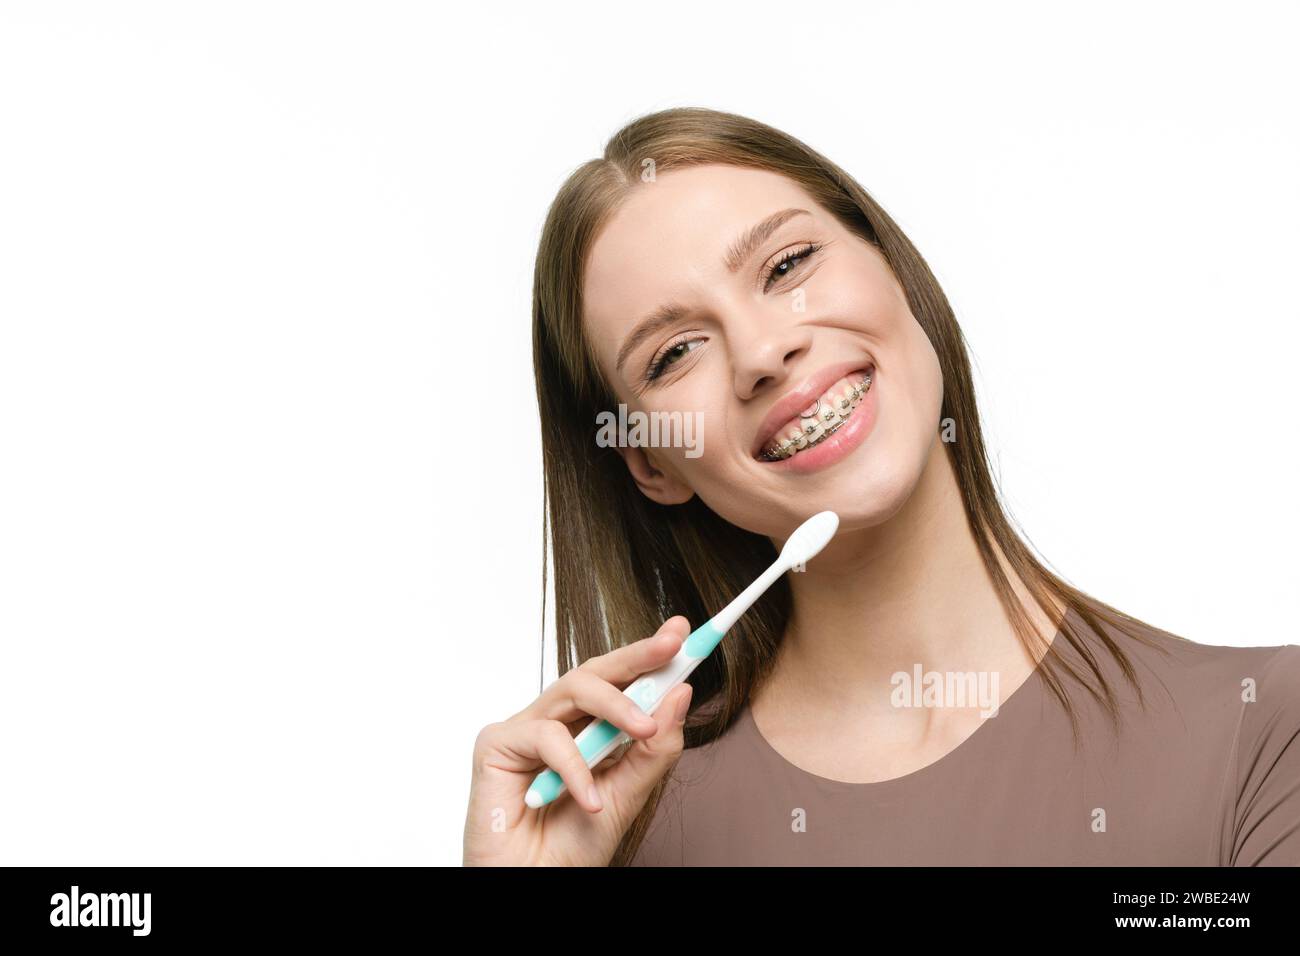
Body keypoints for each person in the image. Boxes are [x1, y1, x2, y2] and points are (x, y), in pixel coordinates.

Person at [462, 107, 1300, 866]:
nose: (761, 353)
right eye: (674, 352)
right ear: (649, 460)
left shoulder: (1261, 733)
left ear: (894, 269)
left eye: (787, 264)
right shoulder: (620, 831)